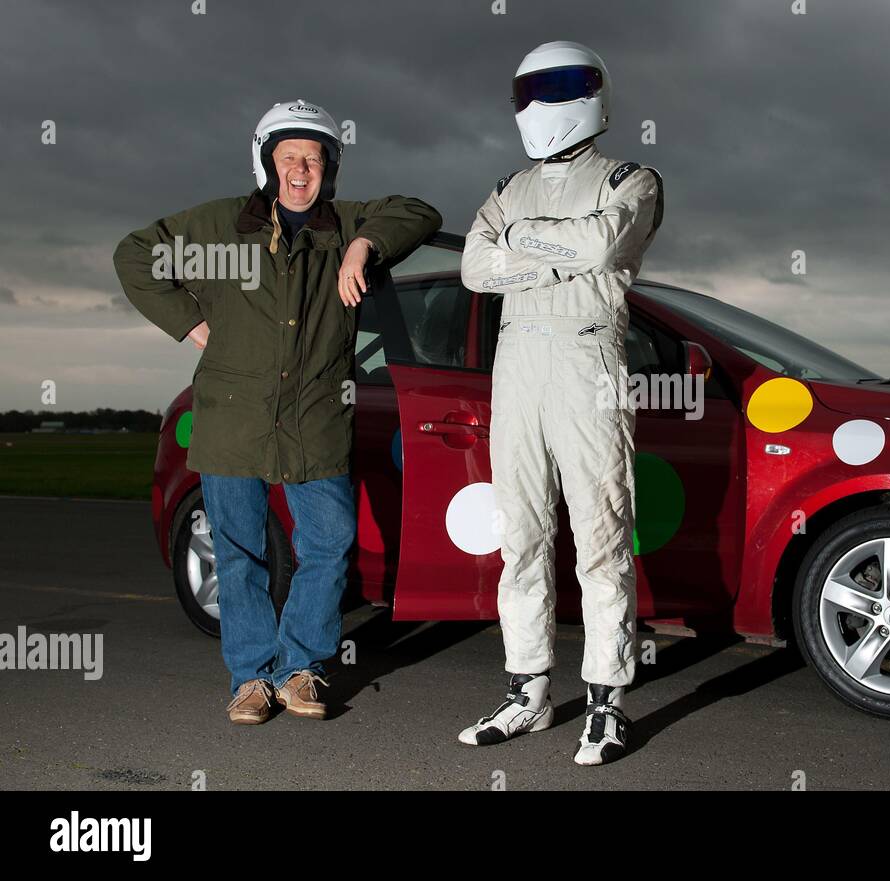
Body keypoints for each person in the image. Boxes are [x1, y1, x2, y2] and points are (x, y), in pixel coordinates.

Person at [114, 99, 441, 724]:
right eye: (288, 157)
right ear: (265, 161)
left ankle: (301, 670)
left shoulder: (345, 224)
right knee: (239, 552)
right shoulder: (216, 228)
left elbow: (421, 211)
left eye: (313, 159)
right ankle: (250, 678)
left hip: (315, 418)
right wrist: (190, 323)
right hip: (233, 419)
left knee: (329, 543)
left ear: (330, 168)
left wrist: (364, 246)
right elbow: (135, 253)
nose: (300, 170)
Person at [459, 42, 664, 765]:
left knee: (601, 531)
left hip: (588, 358)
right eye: (534, 88)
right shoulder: (508, 186)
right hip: (516, 362)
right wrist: (553, 246)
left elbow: (606, 246)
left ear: (597, 93)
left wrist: (518, 241)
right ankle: (528, 689)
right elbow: (473, 267)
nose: (547, 101)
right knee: (521, 533)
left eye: (564, 84)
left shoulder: (633, 178)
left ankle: (607, 699)